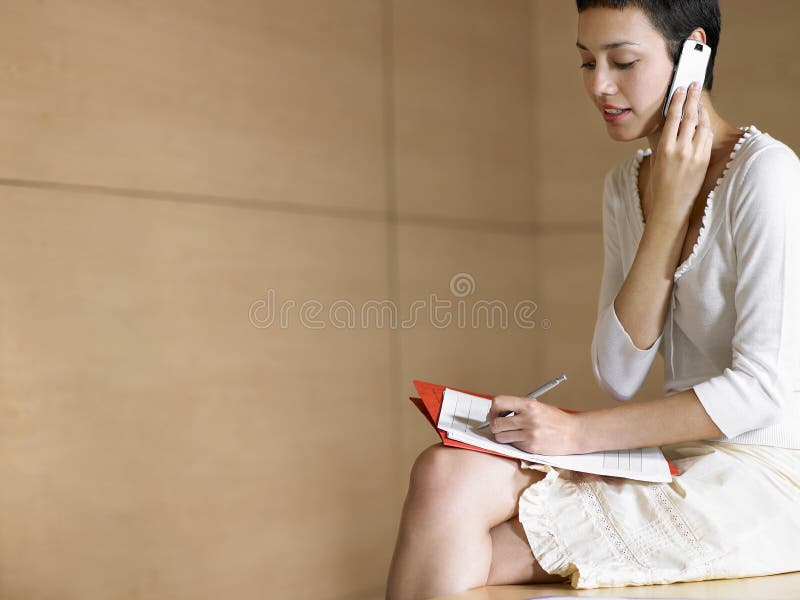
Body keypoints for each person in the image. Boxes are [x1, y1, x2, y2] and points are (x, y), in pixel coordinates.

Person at [385, 0, 800, 598]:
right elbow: (619, 373)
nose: (600, 86)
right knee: (443, 472)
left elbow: (761, 392)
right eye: (586, 63)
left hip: (765, 473)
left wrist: (574, 436)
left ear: (694, 53)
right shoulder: (623, 186)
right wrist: (666, 213)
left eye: (623, 61)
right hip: (682, 452)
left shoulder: (767, 174)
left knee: (468, 547)